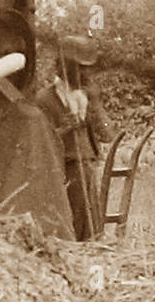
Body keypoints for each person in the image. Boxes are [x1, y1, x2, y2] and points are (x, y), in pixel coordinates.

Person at [35, 36, 110, 240]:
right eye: (81, 68)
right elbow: (41, 144)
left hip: (86, 167)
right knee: (73, 225)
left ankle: (91, 247)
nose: (86, 74)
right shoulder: (44, 99)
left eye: (88, 69)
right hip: (63, 170)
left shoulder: (88, 96)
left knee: (91, 225)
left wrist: (95, 105)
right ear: (64, 67)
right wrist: (65, 129)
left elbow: (107, 134)